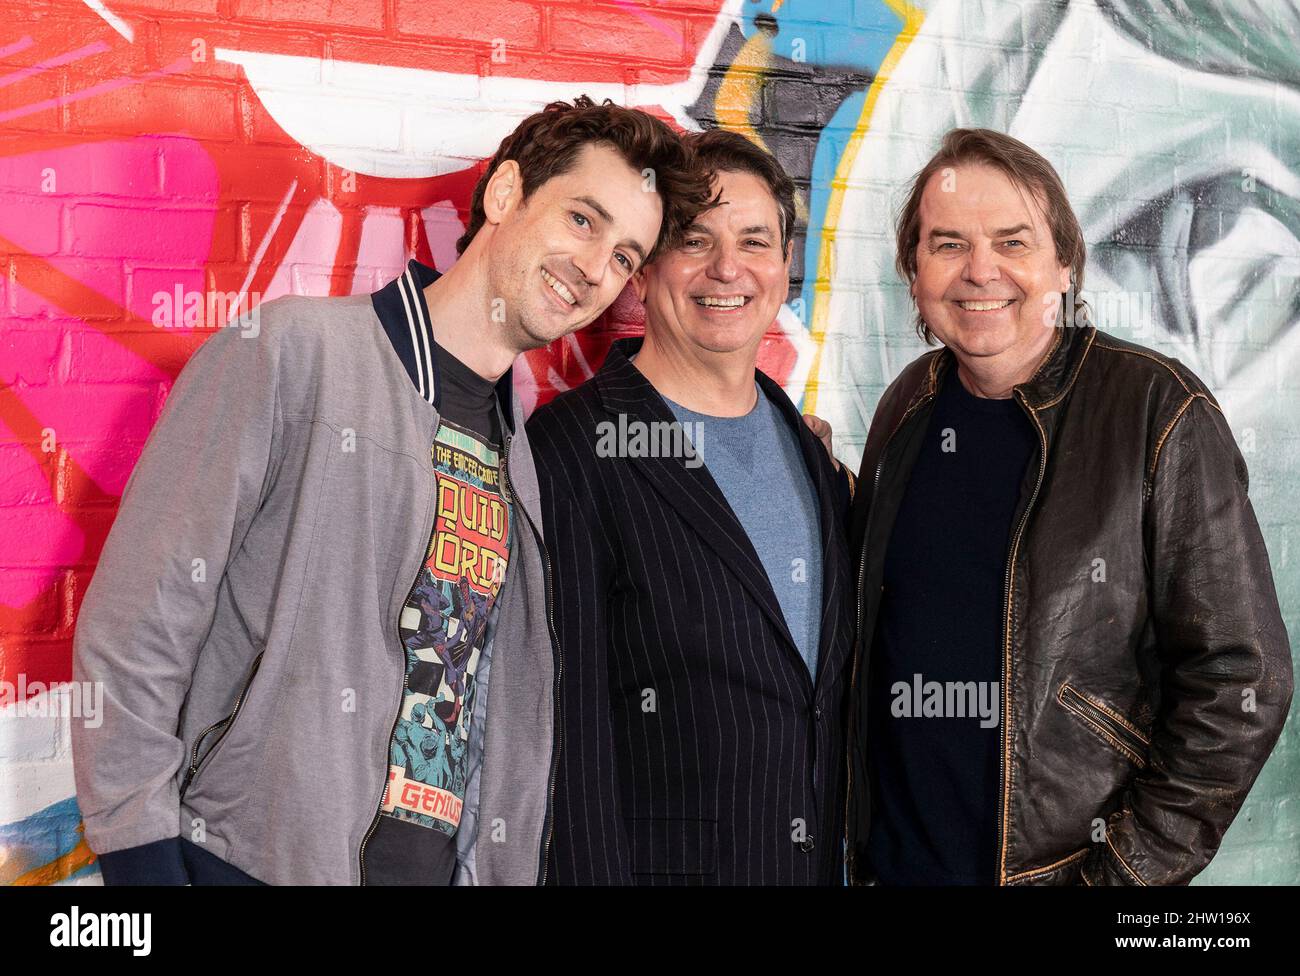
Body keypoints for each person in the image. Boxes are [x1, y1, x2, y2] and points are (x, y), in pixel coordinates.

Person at [71, 96, 714, 885]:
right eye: (583, 220)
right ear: (507, 193)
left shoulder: (528, 459)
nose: (594, 269)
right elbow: (137, 623)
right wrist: (141, 861)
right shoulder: (293, 355)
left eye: (624, 256)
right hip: (244, 861)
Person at [845, 128, 1293, 886]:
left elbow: (1241, 681)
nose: (981, 271)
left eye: (1012, 241)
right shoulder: (908, 406)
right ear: (913, 272)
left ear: (1062, 265)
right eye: (948, 243)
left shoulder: (1155, 409)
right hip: (895, 866)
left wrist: (1117, 875)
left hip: (1054, 872)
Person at [526, 128, 856, 885]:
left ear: (783, 267)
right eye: (695, 239)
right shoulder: (577, 446)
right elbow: (567, 735)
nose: (727, 268)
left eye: (754, 240)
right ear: (645, 270)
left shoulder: (812, 456)